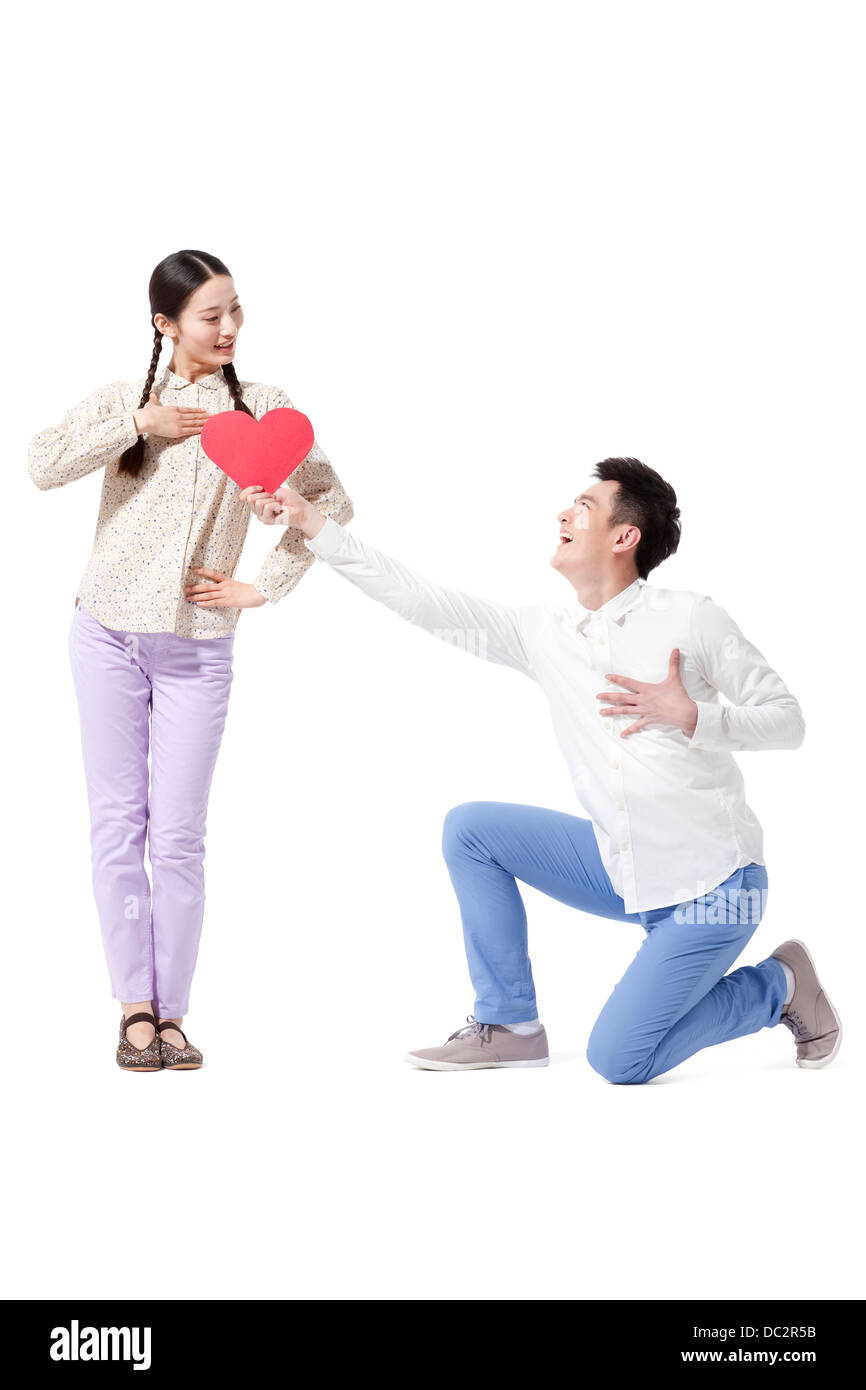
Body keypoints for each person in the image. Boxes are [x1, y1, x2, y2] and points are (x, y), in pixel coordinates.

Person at [242, 458, 841, 1082]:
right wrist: (313, 524)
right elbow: (425, 602)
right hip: (626, 868)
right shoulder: (546, 634)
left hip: (719, 889)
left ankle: (780, 984)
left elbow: (788, 721)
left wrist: (693, 715)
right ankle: (509, 1025)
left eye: (583, 506)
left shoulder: (691, 617)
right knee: (472, 830)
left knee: (621, 1058)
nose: (563, 514)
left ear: (624, 536)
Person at [28, 248, 353, 1072]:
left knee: (177, 836)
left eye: (237, 309)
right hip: (103, 634)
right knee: (116, 826)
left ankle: (174, 1015)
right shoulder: (127, 400)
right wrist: (138, 424)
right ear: (165, 325)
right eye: (212, 316)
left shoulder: (268, 409)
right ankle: (133, 1007)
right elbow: (40, 465)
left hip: (196, 650)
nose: (231, 327)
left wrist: (266, 583)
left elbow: (334, 503)